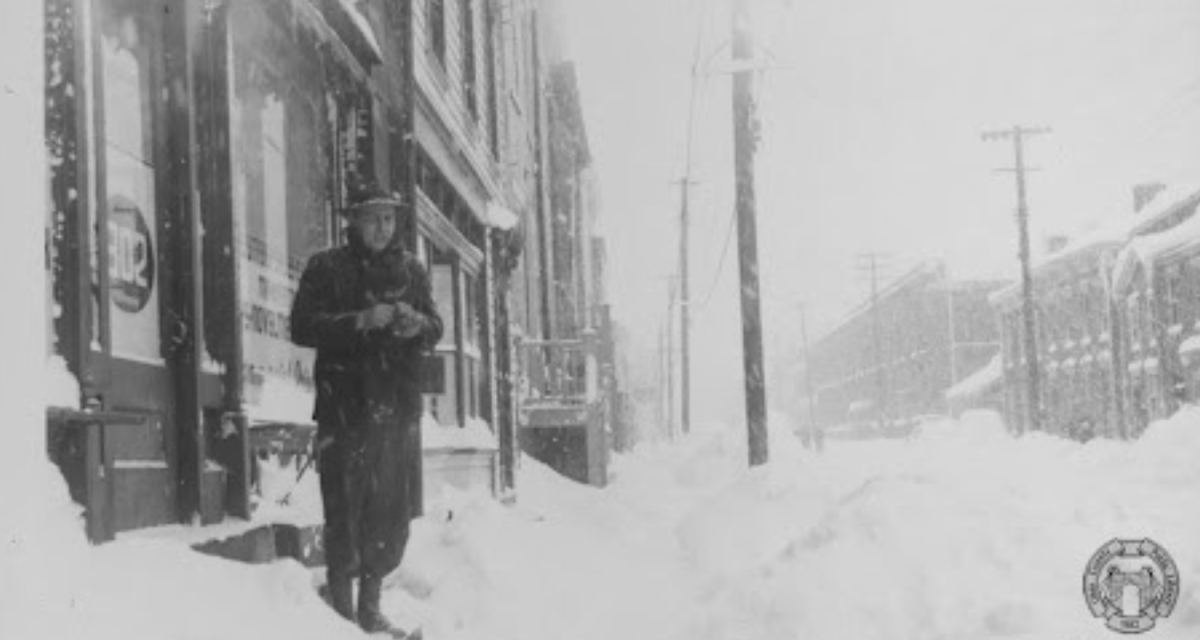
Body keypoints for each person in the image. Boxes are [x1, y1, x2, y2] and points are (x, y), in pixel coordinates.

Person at [290, 185, 443, 634]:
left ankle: (370, 608)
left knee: (387, 515)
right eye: (373, 218)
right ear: (353, 221)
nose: (382, 227)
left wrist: (417, 324)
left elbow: (436, 326)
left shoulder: (412, 271)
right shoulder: (326, 268)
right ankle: (341, 613)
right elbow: (301, 326)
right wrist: (359, 321)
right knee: (343, 511)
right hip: (343, 409)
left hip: (394, 410)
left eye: (389, 218)